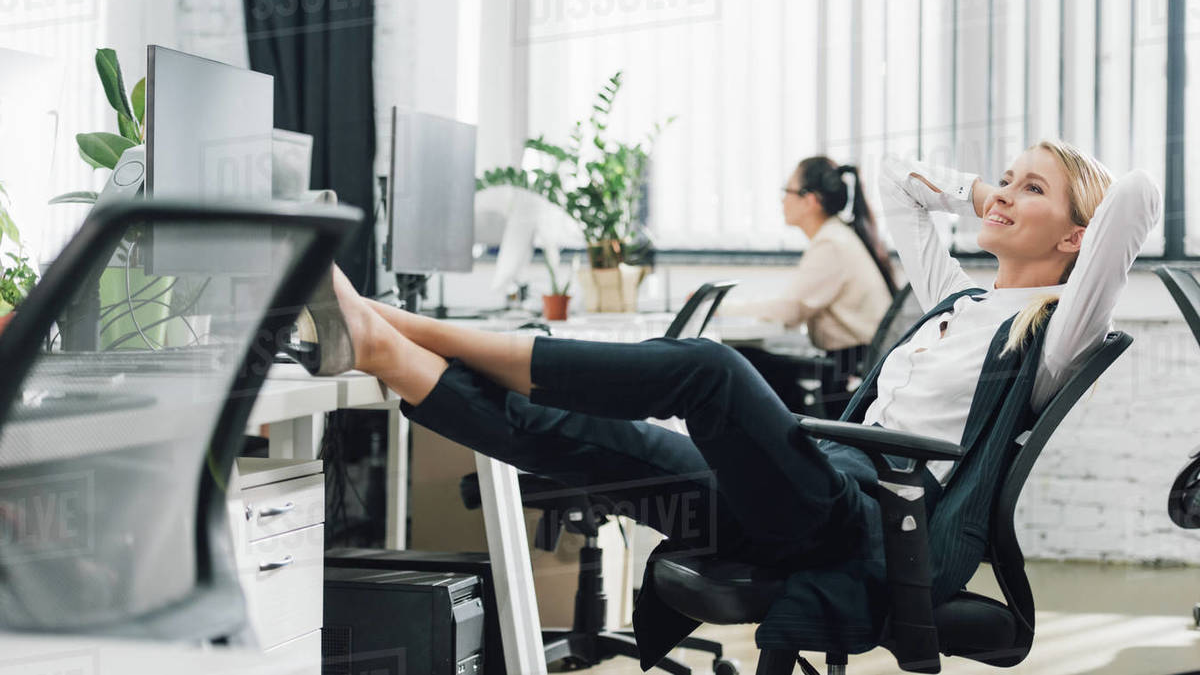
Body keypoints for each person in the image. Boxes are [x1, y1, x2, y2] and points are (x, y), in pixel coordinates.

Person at [299, 139, 1160, 664]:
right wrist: (999, 191)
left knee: (708, 369)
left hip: (872, 519)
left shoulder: (1052, 332)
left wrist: (987, 193)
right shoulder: (959, 298)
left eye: (1030, 190)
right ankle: (382, 348)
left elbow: (1139, 196)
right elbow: (896, 181)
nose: (1004, 194)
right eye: (1003, 180)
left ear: (1078, 237)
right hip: (812, 492)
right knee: (596, 443)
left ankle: (401, 322)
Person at [720, 156, 897, 415]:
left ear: (810, 200)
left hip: (849, 371)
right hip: (857, 364)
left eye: (787, 191)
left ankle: (787, 448)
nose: (782, 200)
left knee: (745, 361)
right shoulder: (837, 235)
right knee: (760, 361)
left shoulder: (831, 244)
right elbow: (795, 305)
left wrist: (721, 308)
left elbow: (791, 310)